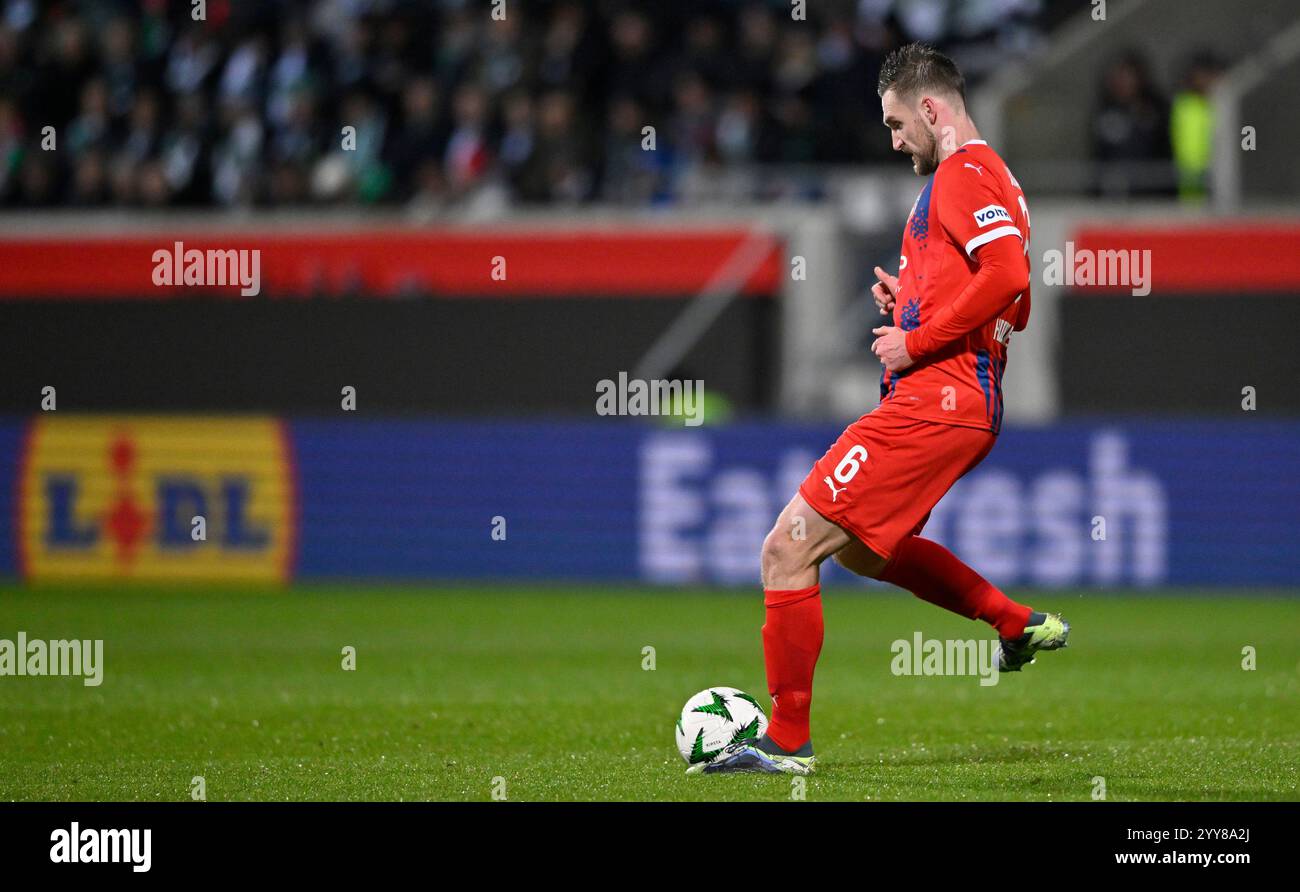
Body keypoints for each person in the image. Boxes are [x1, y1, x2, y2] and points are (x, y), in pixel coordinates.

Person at [697, 43, 1069, 776]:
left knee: (785, 548)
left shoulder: (963, 171)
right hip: (961, 400)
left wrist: (918, 336)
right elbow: (1012, 305)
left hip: (939, 399)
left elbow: (1011, 275)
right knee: (870, 551)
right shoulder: (993, 181)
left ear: (931, 109)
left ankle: (787, 739)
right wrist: (915, 301)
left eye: (898, 125)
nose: (895, 141)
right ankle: (1012, 621)